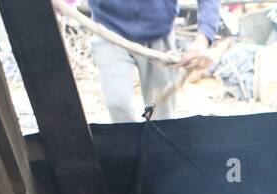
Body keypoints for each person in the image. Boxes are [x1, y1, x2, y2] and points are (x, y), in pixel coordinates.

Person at [88, 0, 221, 122]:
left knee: (161, 114)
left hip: (159, 33)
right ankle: (128, 140)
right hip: (109, 29)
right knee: (118, 103)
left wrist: (203, 37)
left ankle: (156, 140)